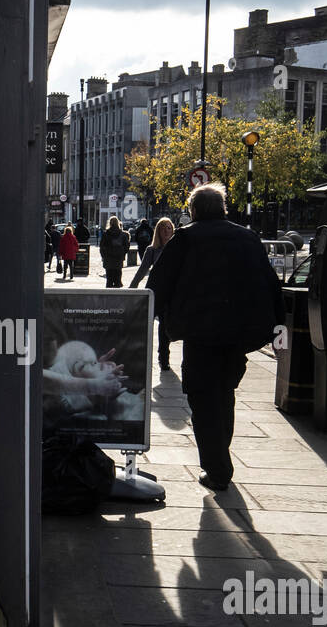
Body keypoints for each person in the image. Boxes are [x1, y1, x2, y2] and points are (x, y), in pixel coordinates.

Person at [148, 184, 284, 492]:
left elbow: (159, 283)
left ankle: (218, 468)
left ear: (193, 210)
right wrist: (278, 328)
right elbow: (270, 283)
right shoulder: (248, 238)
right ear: (223, 208)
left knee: (203, 399)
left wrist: (152, 316)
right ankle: (220, 456)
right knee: (225, 395)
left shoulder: (186, 238)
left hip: (200, 335)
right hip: (239, 335)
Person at [129, 215, 175, 371]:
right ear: (158, 231)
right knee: (146, 323)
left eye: (169, 228)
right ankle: (137, 354)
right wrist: (132, 289)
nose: (167, 231)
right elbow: (142, 271)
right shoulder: (152, 250)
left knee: (165, 327)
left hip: (172, 294)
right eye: (163, 228)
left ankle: (164, 358)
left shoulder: (177, 249)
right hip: (155, 291)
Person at [98, 215, 131, 288]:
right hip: (118, 259)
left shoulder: (106, 234)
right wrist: (122, 253)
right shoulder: (123, 234)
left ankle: (108, 296)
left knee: (109, 279)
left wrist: (103, 256)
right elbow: (127, 246)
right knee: (118, 278)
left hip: (108, 259)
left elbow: (102, 247)